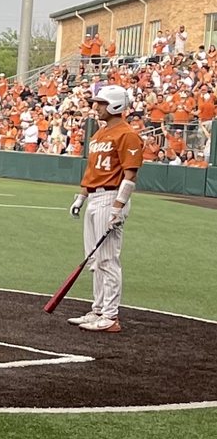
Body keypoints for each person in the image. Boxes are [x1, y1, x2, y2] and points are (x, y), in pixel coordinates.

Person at [67, 85, 143, 333]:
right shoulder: (99, 134)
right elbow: (93, 172)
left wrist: (118, 207)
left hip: (111, 197)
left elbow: (130, 175)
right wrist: (81, 196)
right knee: (94, 260)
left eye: (100, 102)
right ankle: (98, 309)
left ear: (114, 105)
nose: (95, 106)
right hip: (94, 198)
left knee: (108, 259)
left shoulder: (127, 134)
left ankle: (110, 316)